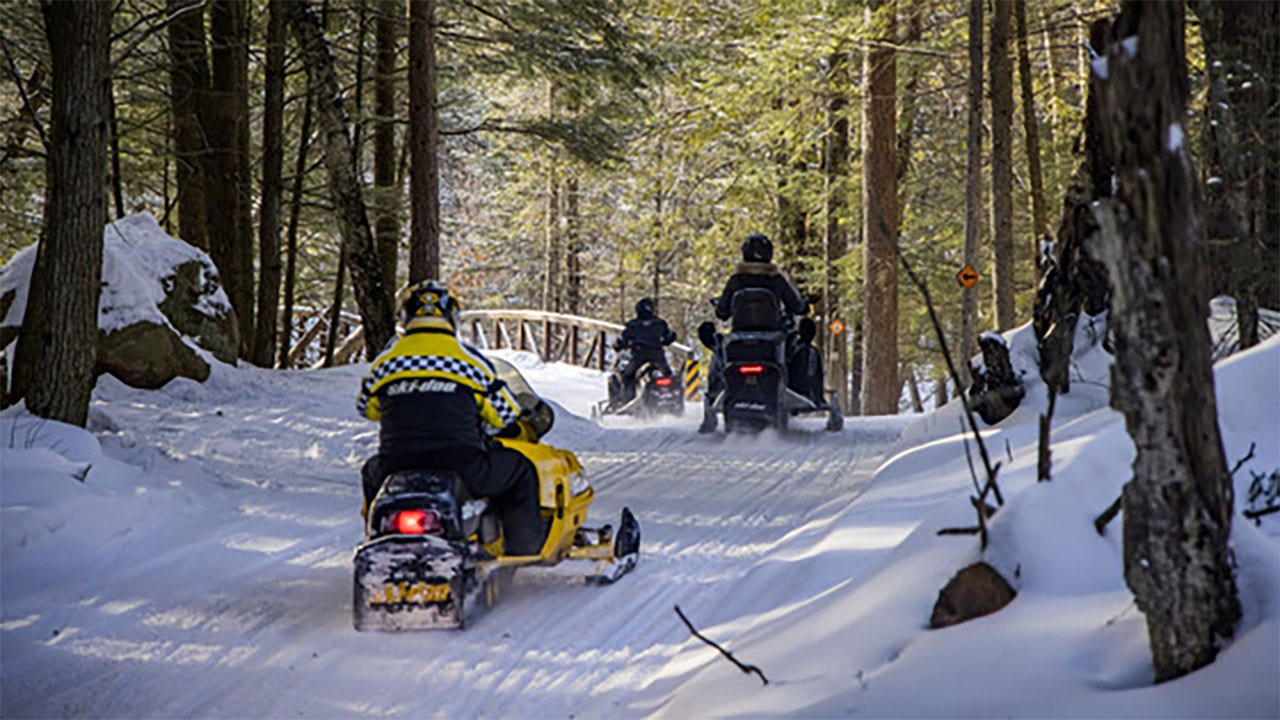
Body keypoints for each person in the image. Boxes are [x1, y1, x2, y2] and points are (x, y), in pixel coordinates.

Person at [356, 280, 545, 556]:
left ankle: (379, 537)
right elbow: (505, 414)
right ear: (451, 317)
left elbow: (366, 408)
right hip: (461, 463)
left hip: (397, 464)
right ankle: (522, 549)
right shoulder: (468, 361)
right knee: (520, 470)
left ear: (406, 317)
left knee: (371, 474)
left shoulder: (386, 362)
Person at [714, 233, 808, 327]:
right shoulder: (776, 279)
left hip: (740, 335)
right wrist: (805, 302)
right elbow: (796, 307)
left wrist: (720, 305)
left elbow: (722, 312)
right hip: (774, 334)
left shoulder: (736, 280)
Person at [609, 297, 676, 406]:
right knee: (669, 376)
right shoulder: (660, 323)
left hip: (639, 356)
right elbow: (668, 338)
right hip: (658, 356)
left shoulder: (633, 325)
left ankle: (627, 400)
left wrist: (618, 345)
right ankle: (673, 400)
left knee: (627, 376)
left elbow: (624, 340)